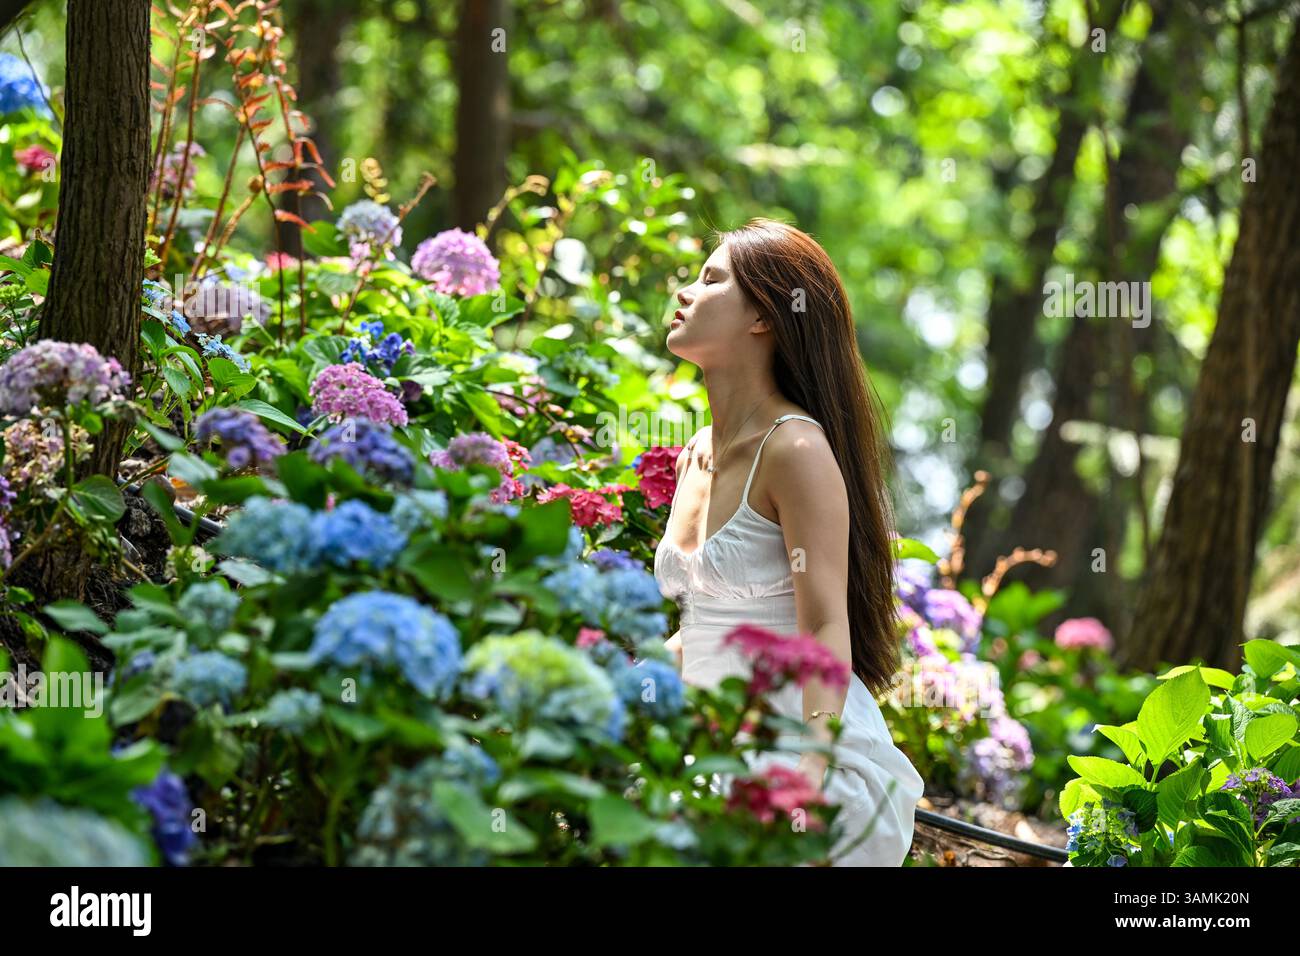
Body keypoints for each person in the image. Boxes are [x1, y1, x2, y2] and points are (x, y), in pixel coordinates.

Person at [653, 218, 925, 866]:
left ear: (764, 318)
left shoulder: (795, 449)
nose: (685, 292)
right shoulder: (698, 454)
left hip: (794, 737)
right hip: (708, 729)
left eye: (711, 279)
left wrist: (811, 770)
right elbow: (708, 629)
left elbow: (826, 623)